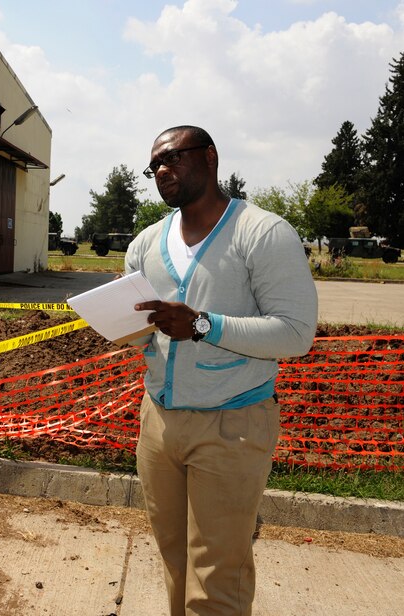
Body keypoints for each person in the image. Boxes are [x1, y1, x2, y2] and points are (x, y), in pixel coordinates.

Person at [125, 125, 317, 616]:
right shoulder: (147, 242)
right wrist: (120, 328)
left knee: (217, 576)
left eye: (172, 158)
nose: (161, 172)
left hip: (232, 424)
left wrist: (203, 325)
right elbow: (139, 325)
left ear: (210, 157)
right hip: (159, 424)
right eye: (154, 166)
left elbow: (296, 333)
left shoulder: (262, 233)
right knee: (175, 562)